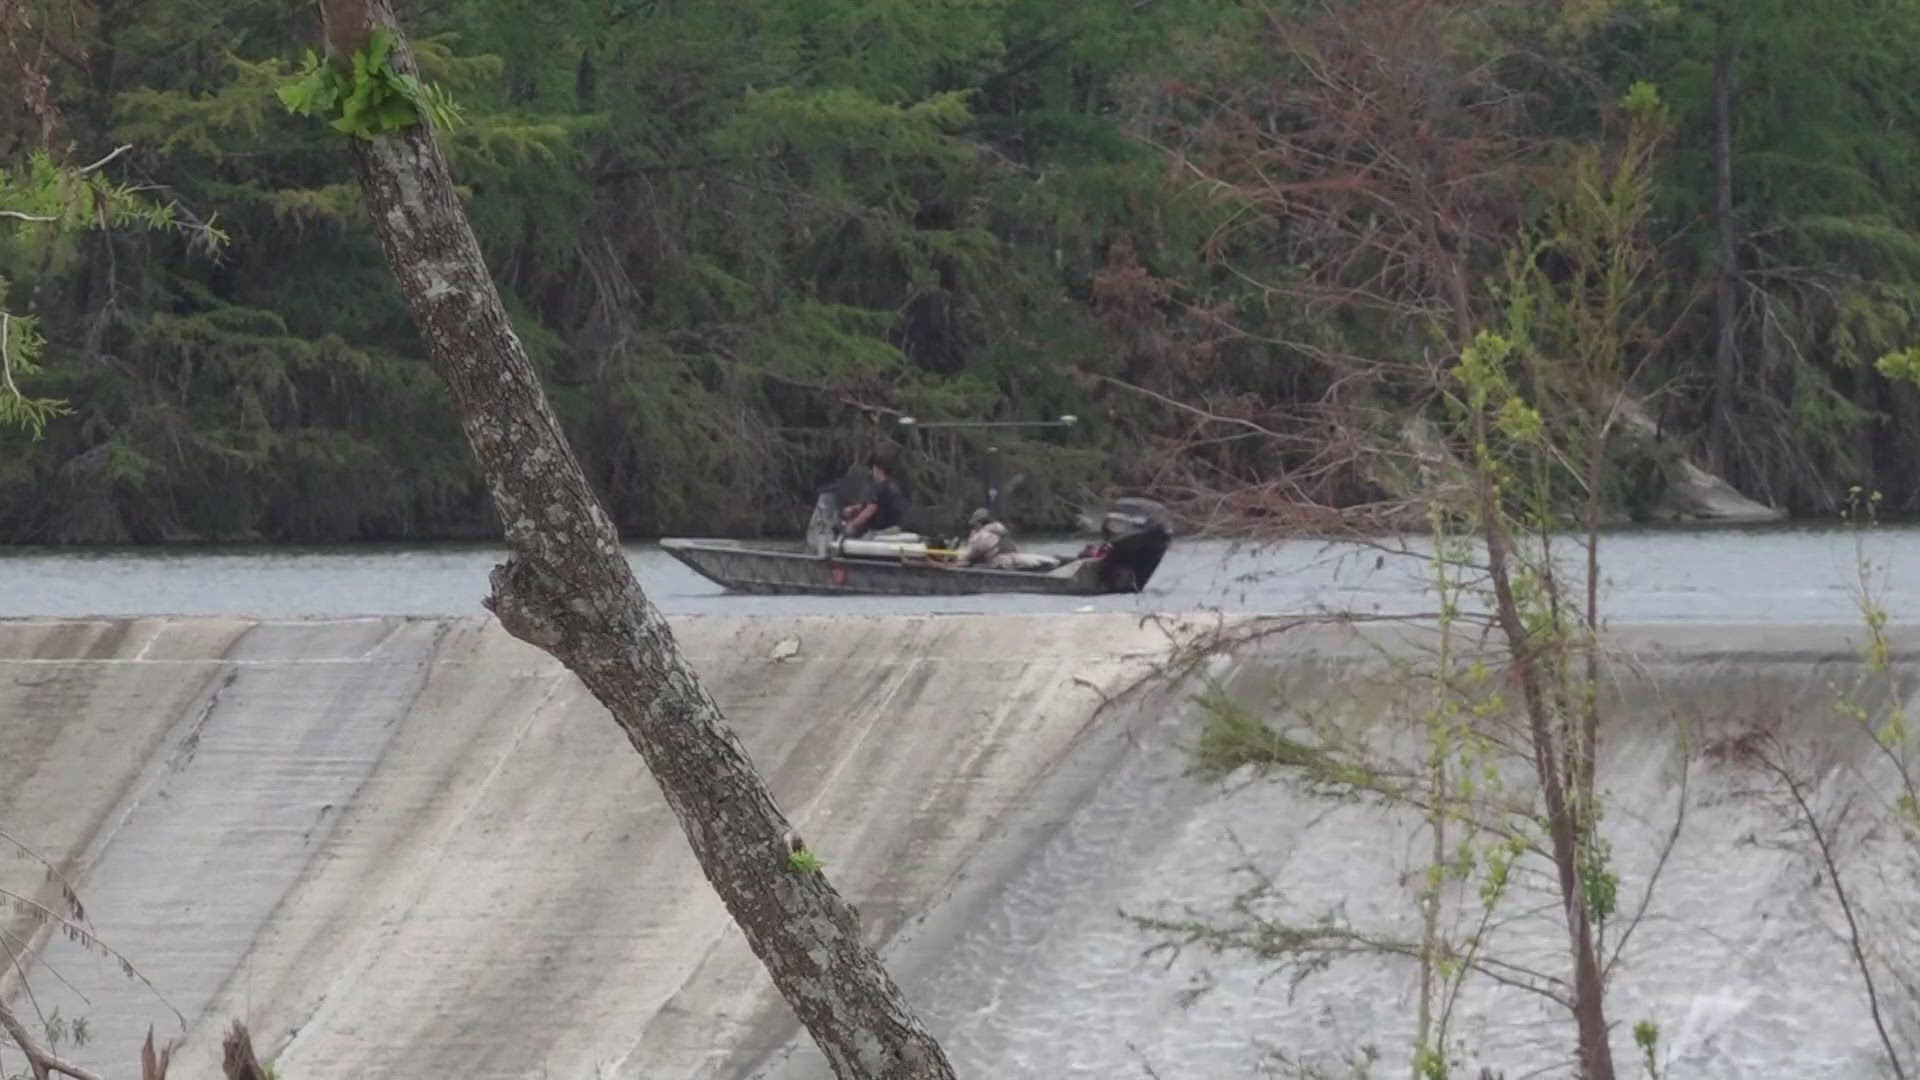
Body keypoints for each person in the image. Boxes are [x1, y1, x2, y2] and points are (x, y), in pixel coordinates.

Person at [843, 457, 906, 538]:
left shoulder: (880, 487)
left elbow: (870, 510)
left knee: (863, 539)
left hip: (884, 531)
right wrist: (854, 508)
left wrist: (853, 525)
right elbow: (877, 504)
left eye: (873, 468)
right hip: (895, 527)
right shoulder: (892, 485)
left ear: (878, 469)